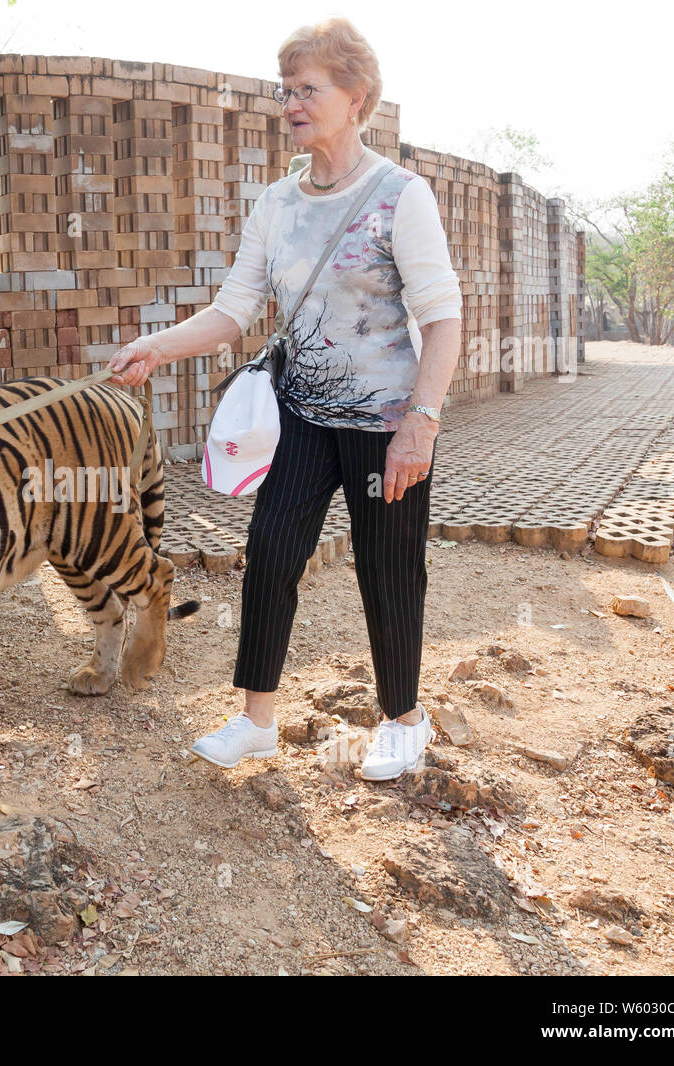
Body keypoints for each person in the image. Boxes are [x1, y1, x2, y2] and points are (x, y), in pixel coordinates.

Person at [110, 17, 463, 780]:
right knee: (270, 554)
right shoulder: (275, 204)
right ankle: (255, 719)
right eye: (286, 90)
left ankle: (404, 718)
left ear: (355, 96)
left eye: (308, 89)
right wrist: (155, 346)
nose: (291, 103)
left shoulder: (401, 195)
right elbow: (234, 313)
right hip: (301, 417)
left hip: (384, 425)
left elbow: (442, 318)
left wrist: (421, 426)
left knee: (388, 568)